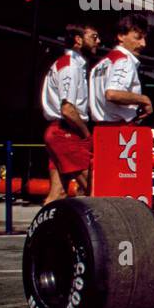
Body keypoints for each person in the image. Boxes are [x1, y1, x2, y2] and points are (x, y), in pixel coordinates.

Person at [41, 23, 99, 203]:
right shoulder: (70, 67)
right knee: (94, 189)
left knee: (57, 194)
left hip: (58, 131)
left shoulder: (70, 65)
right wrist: (85, 133)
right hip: (66, 132)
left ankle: (47, 230)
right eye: (94, 37)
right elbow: (68, 109)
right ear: (78, 40)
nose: (98, 41)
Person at [90, 14, 152, 125]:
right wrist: (144, 99)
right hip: (120, 129)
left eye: (144, 38)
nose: (143, 44)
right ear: (121, 36)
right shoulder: (124, 60)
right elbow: (112, 94)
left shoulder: (99, 65)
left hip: (100, 128)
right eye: (138, 38)